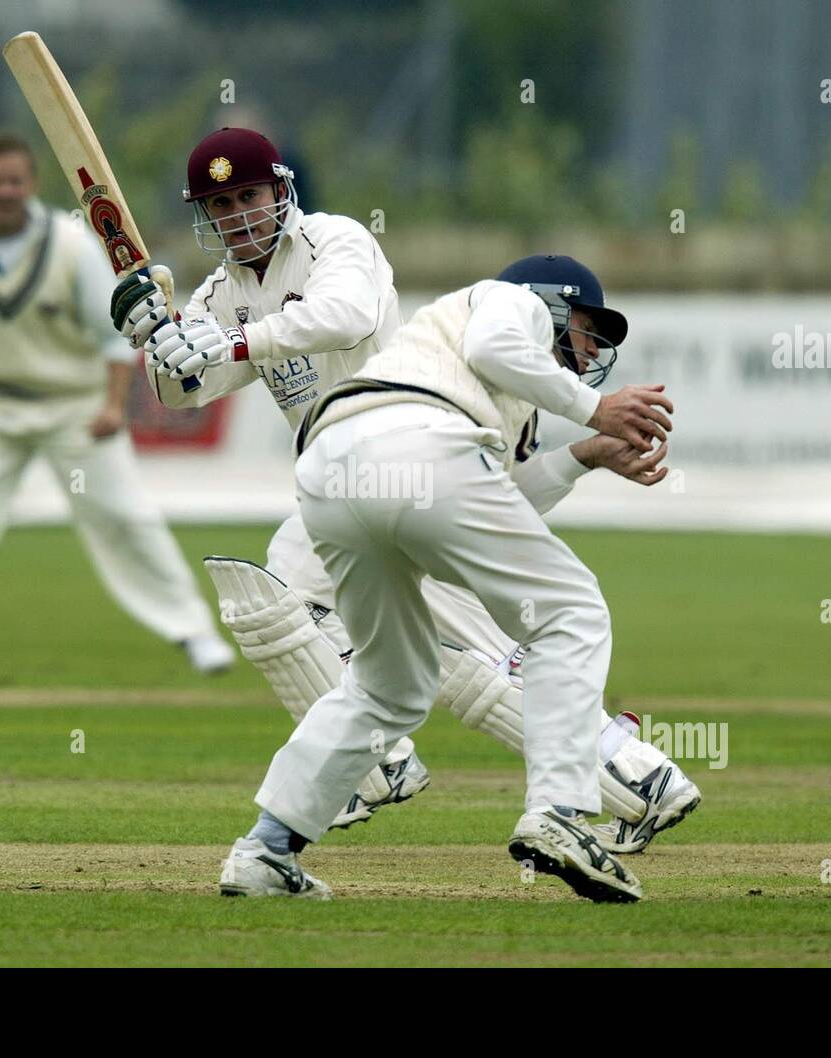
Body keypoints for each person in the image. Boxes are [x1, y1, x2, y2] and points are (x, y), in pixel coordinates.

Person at [114, 131, 699, 850]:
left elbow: (347, 315)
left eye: (249, 196)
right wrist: (157, 338)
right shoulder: (219, 294)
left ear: (281, 192)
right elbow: (184, 392)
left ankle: (628, 773)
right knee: (286, 612)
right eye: (221, 204)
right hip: (342, 479)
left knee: (454, 664)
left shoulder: (336, 241)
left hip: (400, 460)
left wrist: (230, 343)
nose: (239, 215)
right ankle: (397, 770)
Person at [219, 255, 678, 901]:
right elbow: (492, 358)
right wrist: (595, 407)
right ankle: (560, 816)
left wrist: (584, 456)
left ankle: (265, 851)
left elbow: (487, 500)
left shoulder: (501, 394)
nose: (591, 345)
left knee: (391, 686)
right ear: (547, 303)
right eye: (584, 325)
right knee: (570, 611)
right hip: (417, 447)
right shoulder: (503, 301)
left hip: (334, 470)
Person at [0, 131, 231, 674]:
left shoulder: (71, 244)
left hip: (76, 404)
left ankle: (193, 631)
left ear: (31, 184)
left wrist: (114, 407)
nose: (5, 191)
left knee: (126, 517)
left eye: (15, 181)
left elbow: (111, 336)